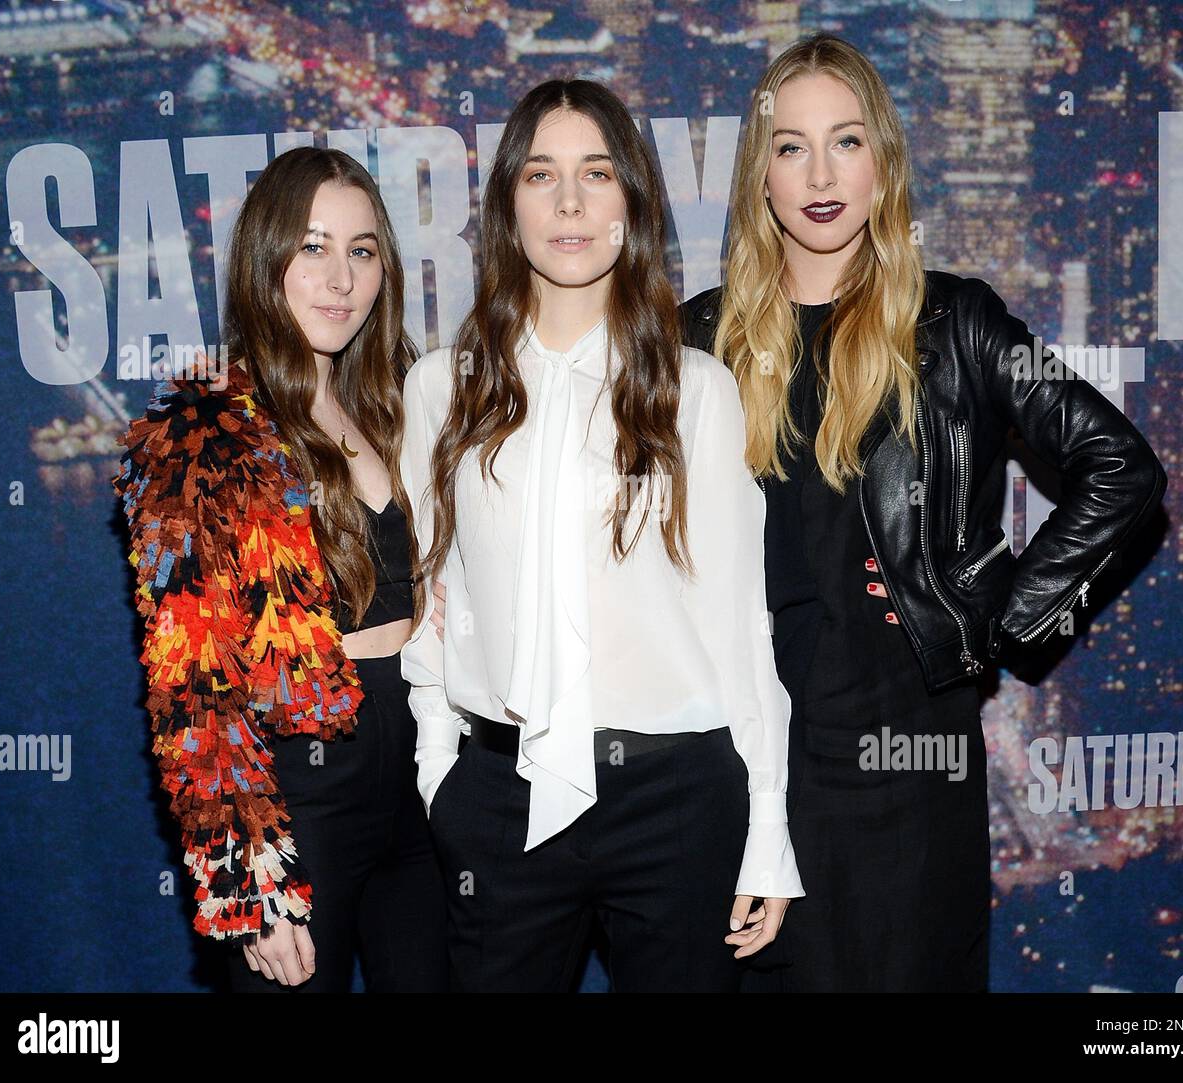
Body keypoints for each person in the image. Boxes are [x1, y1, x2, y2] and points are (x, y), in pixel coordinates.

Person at [679, 33, 1167, 992]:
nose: (821, 173)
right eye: (791, 146)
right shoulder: (698, 336)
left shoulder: (958, 324)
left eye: (847, 141)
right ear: (759, 177)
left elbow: (1122, 466)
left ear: (883, 164)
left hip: (912, 761)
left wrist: (1007, 611)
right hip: (746, 760)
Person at [399, 78, 804, 993]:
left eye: (597, 173)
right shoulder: (440, 388)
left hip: (676, 801)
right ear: (509, 203)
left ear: (633, 201)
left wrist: (768, 831)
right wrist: (440, 777)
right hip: (501, 798)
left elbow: (743, 625)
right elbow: (433, 599)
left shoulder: (695, 389)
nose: (571, 201)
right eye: (542, 174)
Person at [112, 146, 447, 992]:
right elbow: (192, 685)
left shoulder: (404, 398)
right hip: (301, 793)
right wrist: (247, 883)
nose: (340, 276)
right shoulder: (201, 430)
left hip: (427, 776)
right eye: (313, 246)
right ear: (266, 260)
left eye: (362, 250)